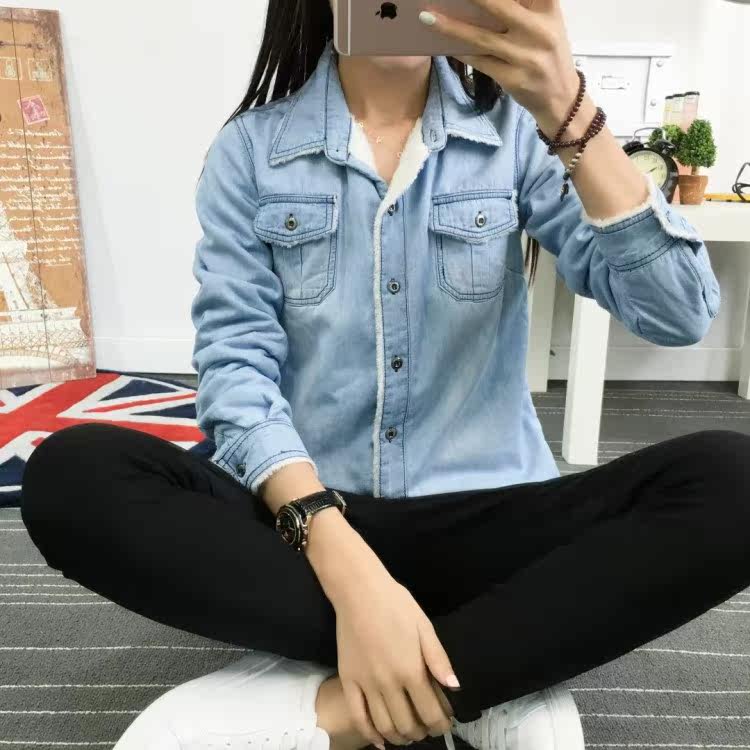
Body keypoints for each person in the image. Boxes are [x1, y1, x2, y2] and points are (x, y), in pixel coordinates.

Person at [20, 1, 749, 750]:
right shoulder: (253, 151)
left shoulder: (517, 136)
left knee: (737, 480)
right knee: (72, 476)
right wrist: (345, 563)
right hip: (314, 526)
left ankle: (346, 700)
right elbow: (236, 369)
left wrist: (569, 108)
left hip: (490, 519)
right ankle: (489, 668)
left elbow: (679, 313)